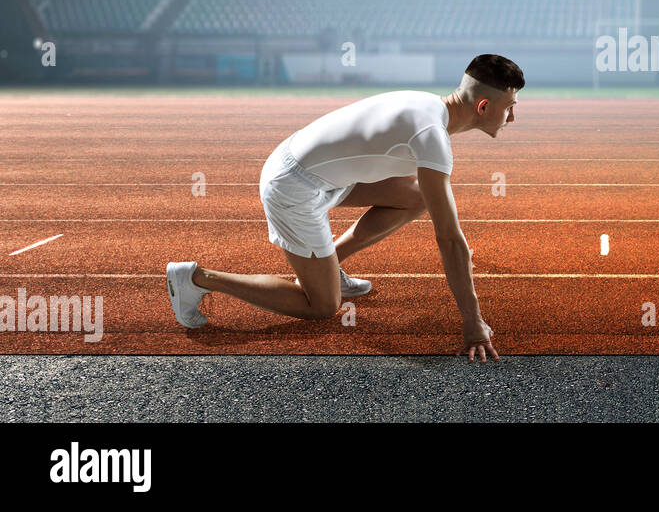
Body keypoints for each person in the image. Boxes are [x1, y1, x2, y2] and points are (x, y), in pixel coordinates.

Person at [165, 54, 523, 363]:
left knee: (417, 195)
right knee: (321, 306)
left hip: (318, 174)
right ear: (483, 107)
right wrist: (472, 322)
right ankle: (196, 278)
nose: (512, 119)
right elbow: (449, 238)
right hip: (294, 187)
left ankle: (331, 265)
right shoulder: (431, 136)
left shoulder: (427, 104)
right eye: (510, 108)